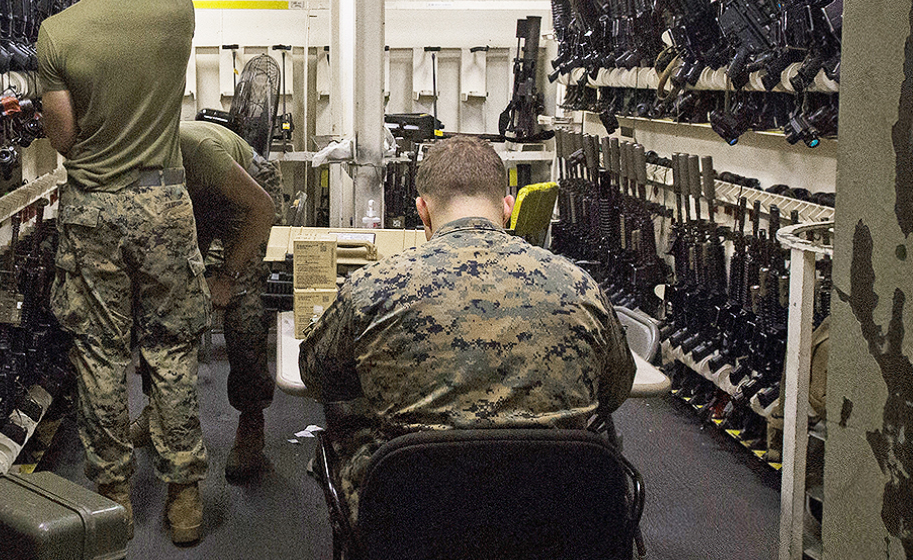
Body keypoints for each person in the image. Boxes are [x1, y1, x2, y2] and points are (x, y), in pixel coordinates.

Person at [300, 135, 635, 516]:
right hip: (560, 523)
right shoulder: (578, 286)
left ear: (422, 210)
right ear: (507, 207)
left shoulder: (372, 288)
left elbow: (318, 378)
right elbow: (615, 390)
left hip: (415, 524)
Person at [36, 0, 210, 545]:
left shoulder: (57, 35)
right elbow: (124, 8)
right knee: (171, 349)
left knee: (100, 354)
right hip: (164, 206)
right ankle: (184, 495)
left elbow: (62, 136)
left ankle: (114, 494)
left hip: (93, 210)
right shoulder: (176, 10)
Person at [134, 119, 284, 481]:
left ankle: (251, 420)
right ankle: (158, 407)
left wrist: (227, 277)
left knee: (244, 310)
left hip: (249, 195)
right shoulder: (134, 160)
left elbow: (261, 210)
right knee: (162, 300)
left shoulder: (197, 151)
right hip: (194, 200)